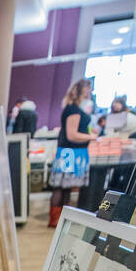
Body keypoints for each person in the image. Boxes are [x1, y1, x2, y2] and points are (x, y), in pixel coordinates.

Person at [48, 78, 98, 227]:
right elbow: (72, 135)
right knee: (61, 187)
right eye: (89, 88)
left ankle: (61, 219)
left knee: (65, 188)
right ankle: (56, 220)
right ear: (82, 89)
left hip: (72, 152)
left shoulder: (75, 108)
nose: (90, 91)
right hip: (70, 153)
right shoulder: (73, 110)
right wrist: (91, 136)